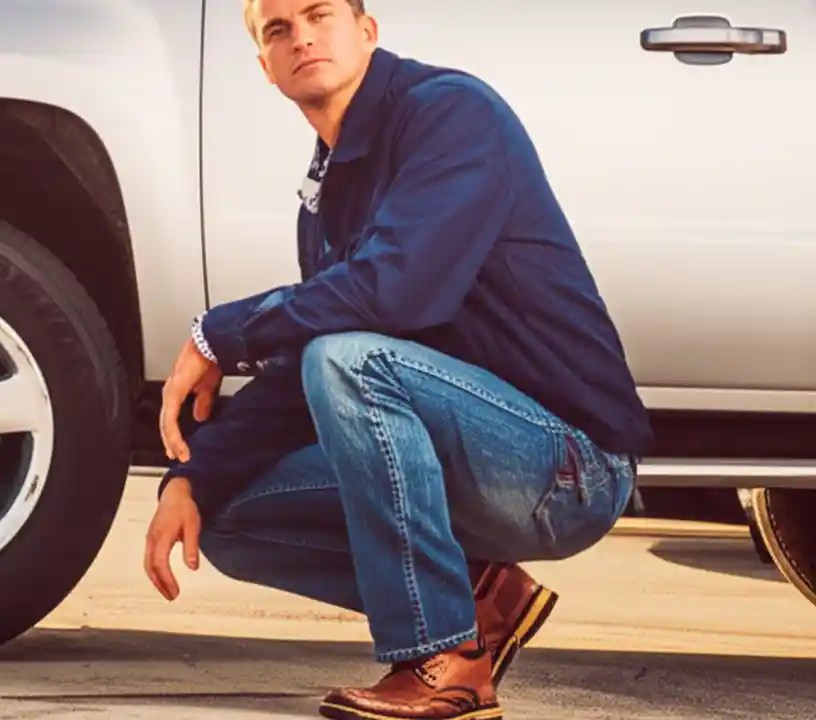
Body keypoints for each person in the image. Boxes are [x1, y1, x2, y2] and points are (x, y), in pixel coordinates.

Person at [144, 1, 654, 719]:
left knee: (349, 359)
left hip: (567, 466)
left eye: (319, 12)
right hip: (469, 460)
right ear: (265, 67)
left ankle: (443, 659)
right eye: (278, 30)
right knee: (228, 516)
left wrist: (218, 334)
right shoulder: (326, 196)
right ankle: (483, 596)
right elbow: (298, 372)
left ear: (368, 29)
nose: (303, 36)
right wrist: (192, 476)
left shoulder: (452, 115)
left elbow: (397, 291)